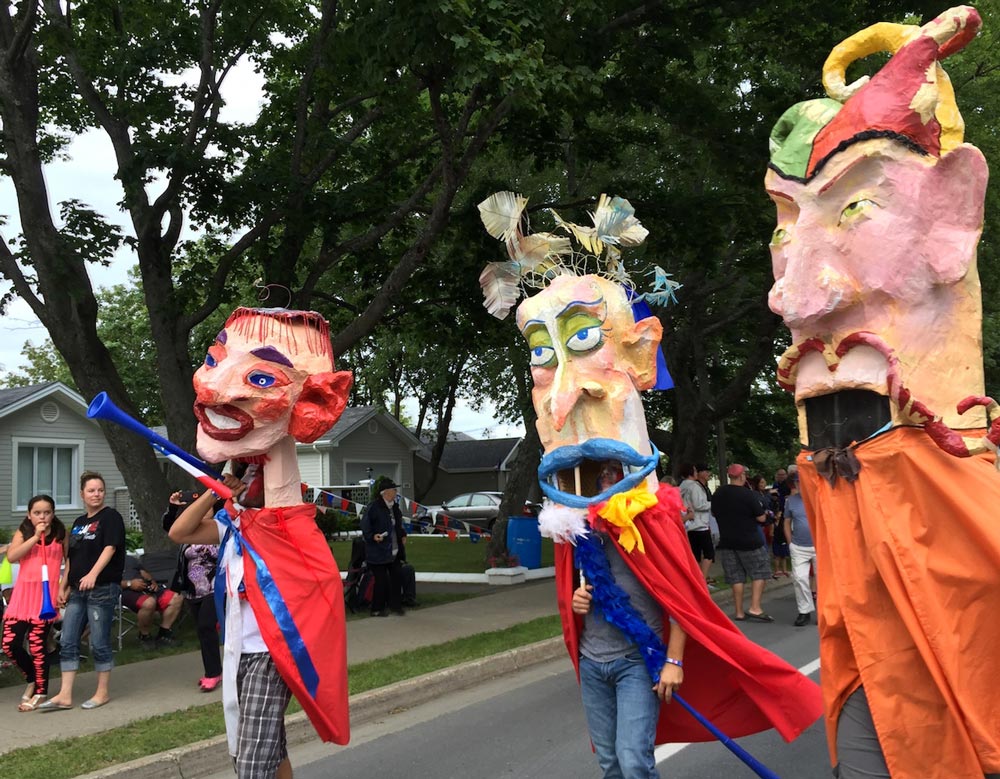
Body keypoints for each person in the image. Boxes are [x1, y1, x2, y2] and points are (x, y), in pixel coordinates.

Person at [482, 233, 822, 776]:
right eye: (542, 353)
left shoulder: (652, 516)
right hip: (594, 664)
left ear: (640, 351)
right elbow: (578, 593)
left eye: (584, 338)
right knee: (611, 763)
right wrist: (575, 606)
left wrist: (673, 660)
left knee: (637, 763)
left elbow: (682, 599)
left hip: (640, 662)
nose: (566, 395)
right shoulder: (575, 526)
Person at [765, 7, 1000, 777]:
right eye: (783, 229)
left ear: (954, 214)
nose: (793, 298)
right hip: (873, 683)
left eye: (856, 205)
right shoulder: (837, 484)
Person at [170, 306, 352, 778]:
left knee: (250, 764)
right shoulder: (234, 525)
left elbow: (282, 487)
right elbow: (181, 533)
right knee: (268, 751)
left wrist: (256, 471)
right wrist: (220, 485)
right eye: (214, 359)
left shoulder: (286, 527)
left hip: (272, 649)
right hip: (239, 649)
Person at [40, 471, 126, 711]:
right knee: (67, 640)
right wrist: (63, 585)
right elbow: (72, 558)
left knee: (99, 641)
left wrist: (93, 574)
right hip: (77, 590)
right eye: (91, 490)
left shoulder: (111, 517)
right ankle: (65, 695)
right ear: (82, 494)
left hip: (102, 588)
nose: (96, 494)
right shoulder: (79, 523)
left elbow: (109, 549)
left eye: (100, 490)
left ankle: (102, 692)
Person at [2, 495, 66, 711]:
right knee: (9, 644)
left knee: (37, 645)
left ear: (53, 513)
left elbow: (71, 562)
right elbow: (11, 557)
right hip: (23, 596)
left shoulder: (59, 533)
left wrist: (64, 588)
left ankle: (40, 692)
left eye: (47, 512)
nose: (42, 516)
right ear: (29, 515)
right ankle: (32, 678)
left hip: (46, 598)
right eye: (37, 513)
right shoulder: (24, 531)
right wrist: (35, 536)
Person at [162, 489, 222, 690]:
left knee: (206, 625)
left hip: (216, 586)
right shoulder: (187, 531)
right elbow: (169, 527)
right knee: (204, 631)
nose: (204, 512)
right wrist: (172, 507)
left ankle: (213, 673)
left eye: (207, 507)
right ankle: (215, 670)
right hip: (193, 589)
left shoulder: (221, 526)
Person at [711, 464, 771, 622]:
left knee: (735, 576)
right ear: (742, 476)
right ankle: (755, 607)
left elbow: (713, 513)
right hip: (749, 540)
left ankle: (739, 611)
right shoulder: (748, 494)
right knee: (760, 570)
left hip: (727, 541)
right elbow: (761, 518)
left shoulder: (718, 493)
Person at [360, 477, 406, 617]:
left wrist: (402, 534)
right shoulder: (374, 507)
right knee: (380, 581)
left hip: (394, 550)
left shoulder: (395, 508)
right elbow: (365, 526)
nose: (396, 492)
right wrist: (373, 536)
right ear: (385, 492)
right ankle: (376, 608)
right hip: (378, 551)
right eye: (393, 490)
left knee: (396, 578)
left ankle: (396, 606)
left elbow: (398, 525)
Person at [120, 553, 183, 650]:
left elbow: (143, 571)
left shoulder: (129, 559)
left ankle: (164, 634)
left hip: (146, 588)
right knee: (149, 603)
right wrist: (129, 584)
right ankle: (144, 636)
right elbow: (107, 584)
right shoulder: (105, 563)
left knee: (176, 598)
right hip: (126, 592)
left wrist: (152, 581)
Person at [783, 473, 815, 626]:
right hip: (799, 546)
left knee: (823, 581)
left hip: (818, 546)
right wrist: (790, 542)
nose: (799, 485)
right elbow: (787, 522)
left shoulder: (818, 498)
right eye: (796, 483)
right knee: (800, 578)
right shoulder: (791, 501)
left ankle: (825, 612)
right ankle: (804, 611)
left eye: (801, 482)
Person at [678, 463, 715, 586]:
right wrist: (713, 504)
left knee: (696, 554)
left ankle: (697, 578)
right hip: (699, 523)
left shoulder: (682, 486)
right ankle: (702, 580)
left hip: (689, 524)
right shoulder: (694, 486)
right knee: (709, 553)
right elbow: (699, 504)